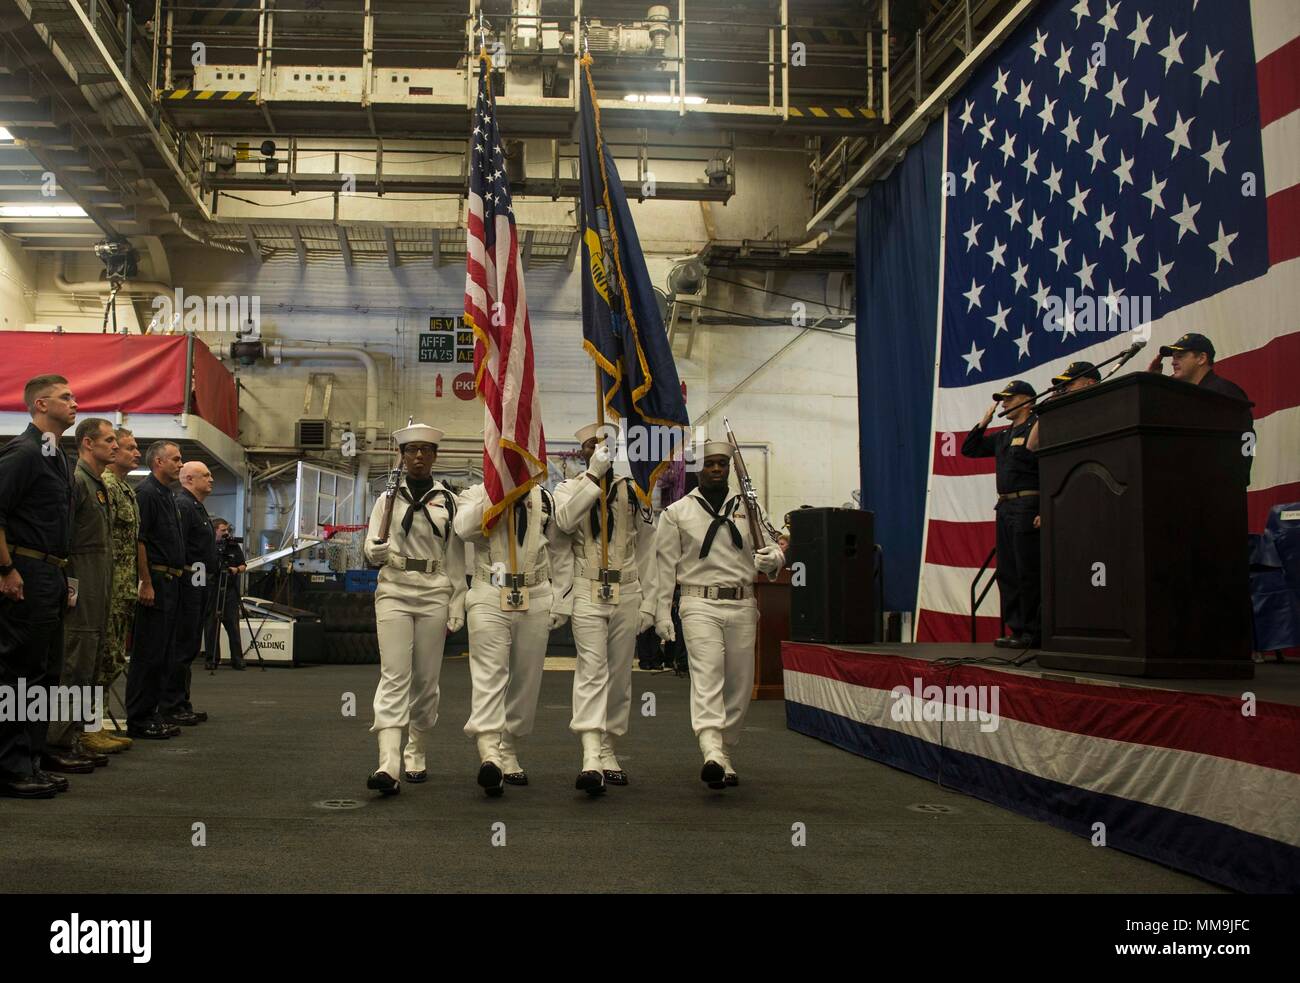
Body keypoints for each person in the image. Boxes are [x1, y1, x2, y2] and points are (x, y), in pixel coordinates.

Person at [652, 440, 784, 790]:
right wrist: (662, 612)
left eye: (721, 465)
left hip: (742, 602)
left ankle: (724, 751)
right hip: (699, 603)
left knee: (739, 685)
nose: (715, 470)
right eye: (709, 464)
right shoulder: (677, 512)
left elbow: (772, 544)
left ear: (728, 469)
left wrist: (775, 561)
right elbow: (664, 568)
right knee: (707, 676)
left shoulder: (749, 507)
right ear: (698, 469)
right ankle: (710, 749)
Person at [361, 423, 466, 796]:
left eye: (425, 450)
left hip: (434, 590)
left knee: (425, 680)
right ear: (402, 456)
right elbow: (371, 544)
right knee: (394, 676)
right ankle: (388, 763)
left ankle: (416, 747)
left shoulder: (449, 501)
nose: (418, 456)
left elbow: (456, 555)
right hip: (394, 589)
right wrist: (372, 551)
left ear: (435, 455)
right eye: (411, 450)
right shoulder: (385, 498)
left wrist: (458, 599)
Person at [553, 424, 656, 795]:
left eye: (606, 444)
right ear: (582, 452)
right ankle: (590, 755)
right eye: (591, 446)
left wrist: (652, 601)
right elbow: (563, 523)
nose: (598, 449)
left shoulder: (634, 491)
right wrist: (594, 476)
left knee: (620, 675)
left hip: (627, 588)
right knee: (591, 670)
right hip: (587, 587)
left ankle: (610, 747)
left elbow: (647, 547)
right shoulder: (569, 489)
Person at [454, 478, 572, 797]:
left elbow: (560, 550)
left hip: (535, 592)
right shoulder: (475, 494)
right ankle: (490, 752)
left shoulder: (544, 499)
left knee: (526, 677)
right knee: (490, 674)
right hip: (490, 590)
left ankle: (509, 747)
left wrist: (562, 598)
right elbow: (464, 529)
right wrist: (497, 493)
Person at [0, 375, 77, 798]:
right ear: (41, 405)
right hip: (24, 572)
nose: (75, 402)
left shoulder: (56, 456)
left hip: (50, 574)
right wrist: (5, 570)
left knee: (44, 674)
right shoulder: (25, 452)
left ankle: (30, 758)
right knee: (16, 675)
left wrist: (63, 578)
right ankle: (9, 767)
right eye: (66, 397)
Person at [47, 418, 123, 766]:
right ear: (88, 444)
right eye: (108, 440)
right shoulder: (77, 481)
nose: (116, 446)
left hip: (100, 583)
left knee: (89, 664)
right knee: (74, 663)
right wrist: (68, 585)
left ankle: (76, 736)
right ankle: (58, 743)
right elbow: (62, 538)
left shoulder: (99, 485)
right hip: (81, 583)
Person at [962, 380, 1041, 649]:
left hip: (1028, 504)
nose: (1004, 403)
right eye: (1003, 399)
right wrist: (984, 420)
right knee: (1007, 571)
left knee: (1027, 570)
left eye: (1010, 398)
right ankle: (1017, 629)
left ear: (1027, 401)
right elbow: (969, 449)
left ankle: (1034, 630)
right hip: (1005, 507)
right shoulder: (1004, 435)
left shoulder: (1038, 426)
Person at [124, 441, 185, 740]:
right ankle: (138, 718)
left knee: (163, 653)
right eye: (175, 459)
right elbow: (140, 541)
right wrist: (145, 582)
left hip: (171, 582)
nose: (180, 464)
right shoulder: (146, 494)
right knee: (148, 653)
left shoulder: (168, 495)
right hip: (156, 581)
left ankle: (152, 712)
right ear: (159, 462)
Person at [163, 461, 217, 727]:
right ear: (188, 479)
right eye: (205, 475)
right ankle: (173, 704)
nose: (211, 479)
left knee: (191, 644)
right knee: (183, 645)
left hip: (199, 578)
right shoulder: (184, 505)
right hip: (189, 580)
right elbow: (180, 546)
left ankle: (182, 701)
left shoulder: (196, 506)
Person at [101, 428, 142, 733]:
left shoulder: (127, 489)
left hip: (124, 587)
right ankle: (92, 725)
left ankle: (94, 723)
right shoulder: (107, 486)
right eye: (130, 448)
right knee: (101, 657)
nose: (136, 453)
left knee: (114, 656)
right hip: (107, 586)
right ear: (114, 452)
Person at [1026, 361, 1101, 452]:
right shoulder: (1063, 414)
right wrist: (1050, 407)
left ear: (1090, 383)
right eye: (1064, 386)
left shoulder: (1107, 405)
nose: (1066, 390)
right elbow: (1032, 445)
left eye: (1070, 384)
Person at [205, 519, 247, 670]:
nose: (226, 533)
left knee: (233, 626)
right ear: (215, 531)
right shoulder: (207, 547)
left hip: (230, 591)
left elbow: (243, 565)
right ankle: (211, 659)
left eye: (227, 530)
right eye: (223, 530)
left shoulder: (233, 546)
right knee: (211, 626)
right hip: (213, 589)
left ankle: (237, 659)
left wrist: (236, 570)